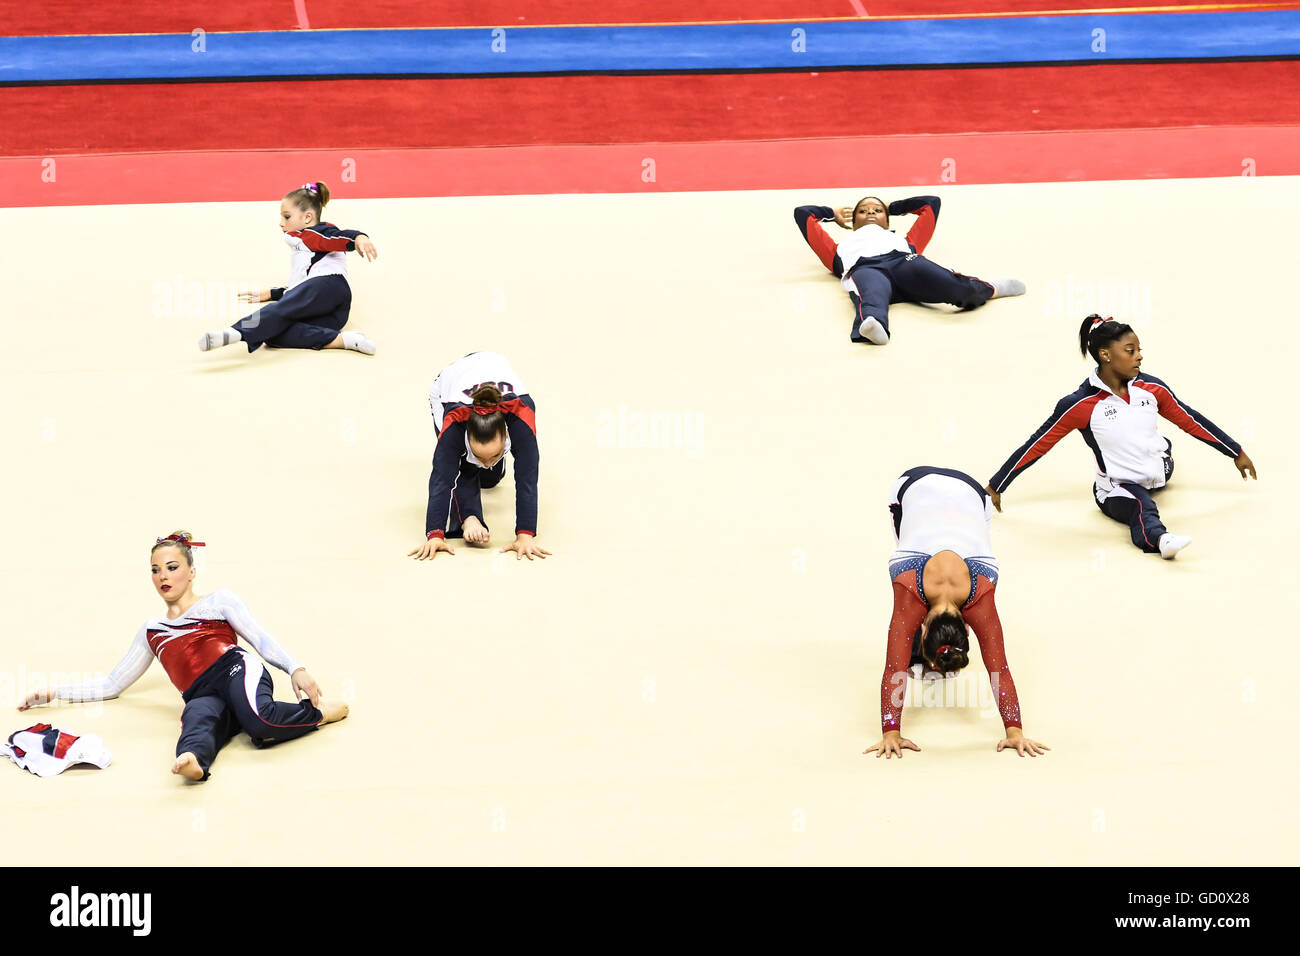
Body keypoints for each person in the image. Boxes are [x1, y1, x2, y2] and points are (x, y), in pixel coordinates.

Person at [17, 532, 347, 781]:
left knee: (259, 723)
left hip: (235, 669)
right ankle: (194, 763)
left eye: (172, 567)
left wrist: (295, 668)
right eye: (156, 570)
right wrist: (55, 692)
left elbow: (260, 638)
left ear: (191, 571)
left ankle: (318, 713)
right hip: (200, 692)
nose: (163, 576)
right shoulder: (152, 630)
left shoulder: (218, 601)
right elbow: (112, 683)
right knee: (196, 724)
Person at [985, 315, 1257, 559]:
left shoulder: (1151, 389)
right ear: (1105, 355)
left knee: (1159, 450)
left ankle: (1155, 470)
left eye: (1139, 351)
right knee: (1141, 506)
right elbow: (1037, 445)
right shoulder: (1080, 405)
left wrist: (1235, 451)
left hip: (1162, 468)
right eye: (1130, 351)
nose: (1139, 357)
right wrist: (997, 485)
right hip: (1117, 486)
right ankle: (1160, 540)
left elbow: (1190, 420)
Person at [864, 466, 1048, 759]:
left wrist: (891, 732)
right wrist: (1014, 730)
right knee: (904, 648)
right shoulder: (920, 586)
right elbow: (999, 669)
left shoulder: (917, 588)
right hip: (937, 488)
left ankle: (926, 658)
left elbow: (891, 670)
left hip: (964, 492)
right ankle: (920, 656)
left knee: (902, 642)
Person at [793, 194, 1025, 344]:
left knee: (953, 285)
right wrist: (830, 214)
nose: (870, 212)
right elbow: (803, 213)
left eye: (877, 209)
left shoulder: (907, 242)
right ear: (853, 223)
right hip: (865, 267)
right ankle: (876, 326)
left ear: (887, 221)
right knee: (871, 296)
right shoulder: (838, 250)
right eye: (862, 211)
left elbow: (931, 203)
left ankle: (989, 289)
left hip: (904, 261)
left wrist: (893, 207)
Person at [198, 181, 378, 355]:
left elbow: (337, 237)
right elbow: (301, 288)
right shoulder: (303, 248)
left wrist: (358, 238)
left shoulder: (314, 233)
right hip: (334, 314)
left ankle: (236, 332)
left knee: (278, 310)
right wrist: (271, 293)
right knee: (273, 334)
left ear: (308, 217)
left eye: (287, 216)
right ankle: (346, 340)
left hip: (330, 285)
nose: (281, 222)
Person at [408, 351, 550, 562]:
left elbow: (527, 479)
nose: (486, 462)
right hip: (448, 387)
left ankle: (488, 458)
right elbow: (442, 478)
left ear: (507, 435)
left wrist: (525, 535)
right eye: (479, 455)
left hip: (492, 363)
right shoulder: (455, 424)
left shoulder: (521, 420)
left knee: (490, 478)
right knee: (463, 465)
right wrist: (435, 534)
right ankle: (469, 517)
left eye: (494, 454)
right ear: (466, 436)